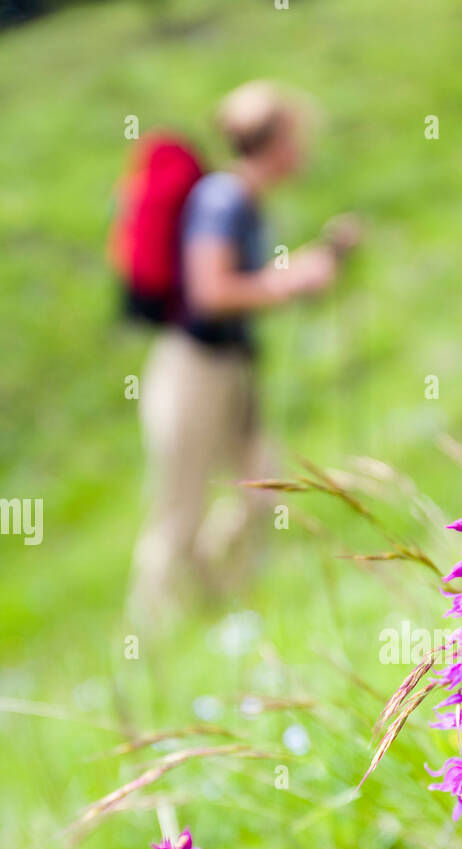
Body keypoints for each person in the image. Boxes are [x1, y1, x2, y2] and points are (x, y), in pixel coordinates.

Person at [128, 81, 359, 621]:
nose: (302, 149)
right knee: (178, 513)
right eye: (296, 136)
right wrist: (291, 282)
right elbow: (211, 291)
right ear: (274, 141)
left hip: (230, 368)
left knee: (262, 491)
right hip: (193, 369)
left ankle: (217, 611)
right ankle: (151, 641)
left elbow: (242, 280)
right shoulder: (222, 198)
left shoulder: (242, 200)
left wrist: (312, 263)